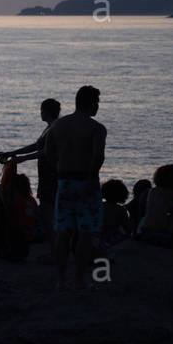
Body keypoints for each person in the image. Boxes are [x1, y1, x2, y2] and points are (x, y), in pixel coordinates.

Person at [44, 85, 107, 289]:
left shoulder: (58, 126)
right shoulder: (96, 128)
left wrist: (59, 169)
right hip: (86, 182)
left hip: (64, 182)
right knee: (86, 233)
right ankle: (79, 279)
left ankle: (60, 280)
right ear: (91, 103)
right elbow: (97, 156)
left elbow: (48, 152)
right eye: (97, 102)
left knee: (64, 232)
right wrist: (91, 178)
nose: (98, 106)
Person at [0, 98, 61, 246]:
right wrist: (12, 153)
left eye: (41, 110)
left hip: (51, 175)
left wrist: (23, 159)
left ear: (47, 111)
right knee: (49, 213)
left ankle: (56, 251)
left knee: (47, 214)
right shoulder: (50, 127)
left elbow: (46, 151)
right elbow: (36, 146)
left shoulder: (55, 128)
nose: (40, 113)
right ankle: (55, 249)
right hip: (47, 174)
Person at [100, 179, 132, 245]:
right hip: (113, 239)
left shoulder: (99, 206)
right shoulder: (120, 210)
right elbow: (127, 229)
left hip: (99, 237)